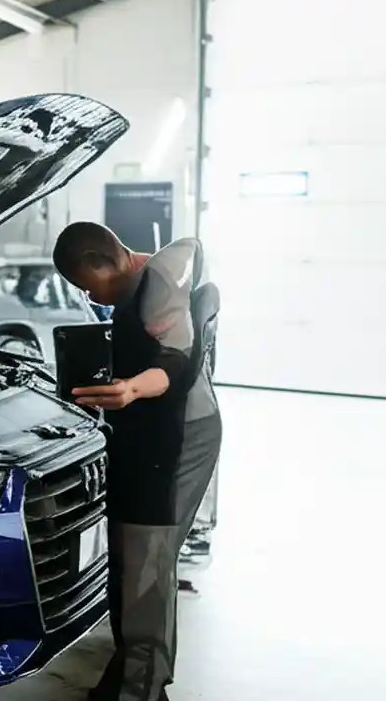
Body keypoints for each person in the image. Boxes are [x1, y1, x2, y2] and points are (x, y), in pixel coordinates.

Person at [52, 222, 222, 701]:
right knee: (129, 562)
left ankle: (142, 690)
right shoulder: (153, 275)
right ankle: (128, 672)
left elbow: (174, 362)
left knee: (147, 565)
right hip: (148, 436)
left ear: (110, 262)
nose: (93, 296)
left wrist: (129, 389)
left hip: (174, 440)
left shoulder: (158, 287)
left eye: (90, 285)